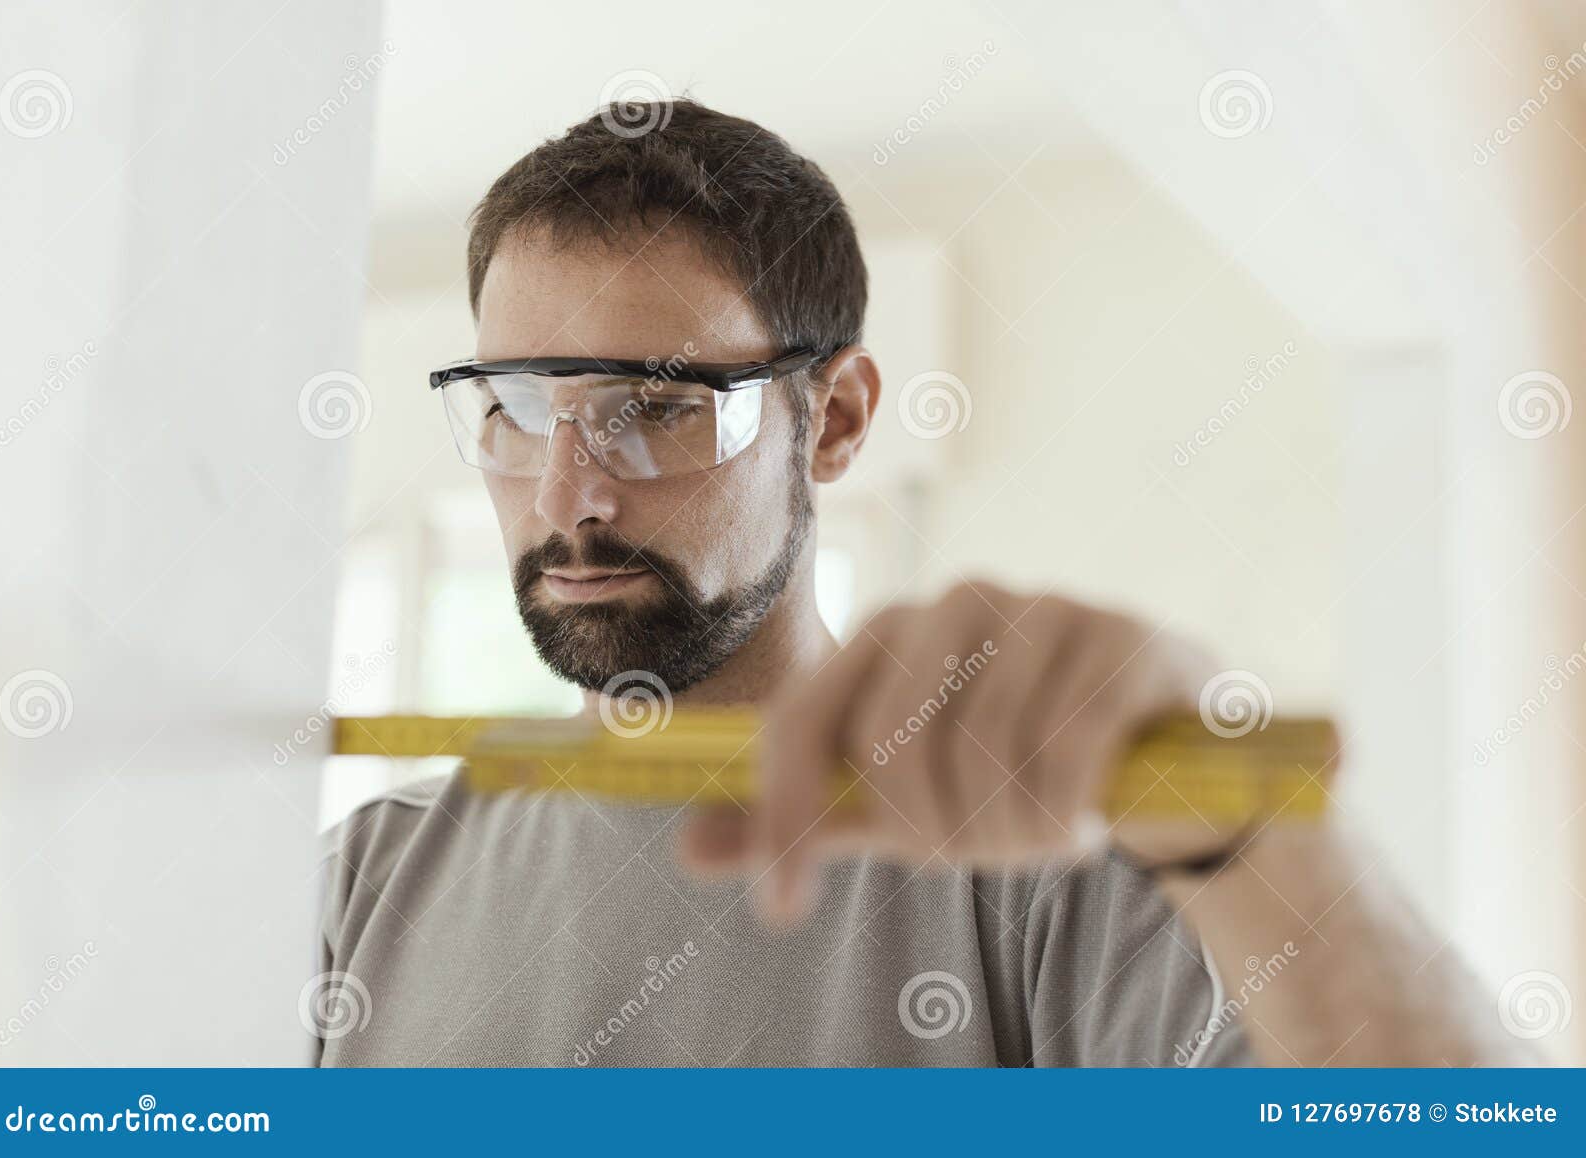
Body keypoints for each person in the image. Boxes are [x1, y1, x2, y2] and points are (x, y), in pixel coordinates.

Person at [314, 99, 1524, 1067]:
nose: (568, 492)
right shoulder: (365, 877)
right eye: (518, 411)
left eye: (655, 408)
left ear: (833, 420)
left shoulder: (1054, 854)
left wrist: (1255, 834)